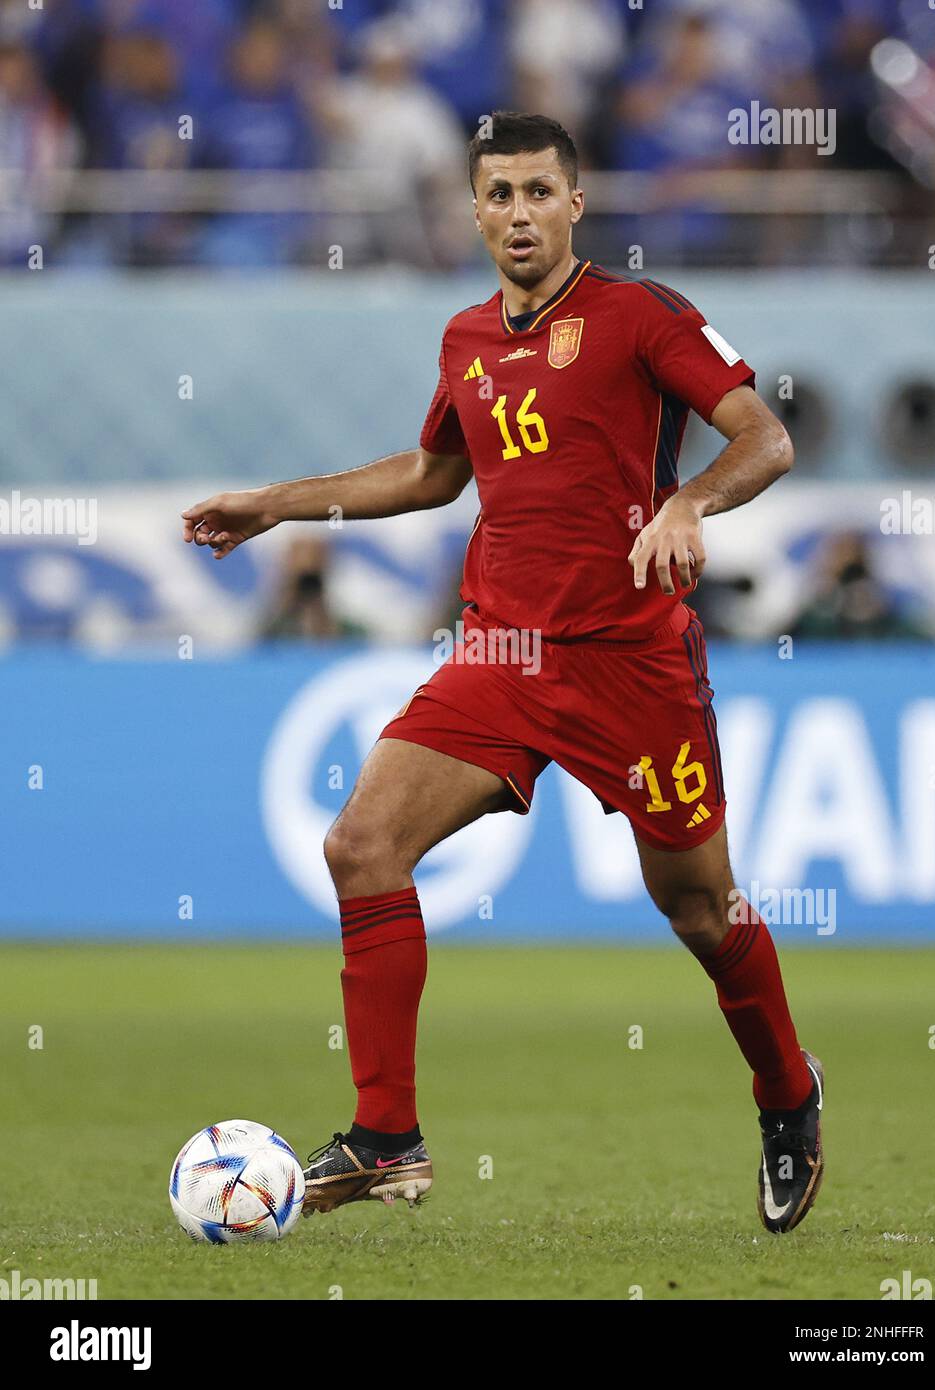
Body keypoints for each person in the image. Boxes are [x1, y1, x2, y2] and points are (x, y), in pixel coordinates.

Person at [181, 112, 823, 1235]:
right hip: (502, 653)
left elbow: (762, 437)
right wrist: (275, 503)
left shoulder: (639, 315)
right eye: (497, 194)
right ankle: (387, 1137)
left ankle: (786, 1092)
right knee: (361, 844)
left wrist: (687, 500)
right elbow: (433, 474)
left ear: (575, 203)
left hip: (632, 667)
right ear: (472, 209)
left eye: (537, 191)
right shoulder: (467, 338)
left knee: (697, 909)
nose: (518, 213)